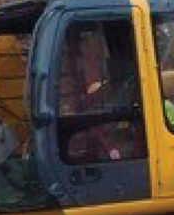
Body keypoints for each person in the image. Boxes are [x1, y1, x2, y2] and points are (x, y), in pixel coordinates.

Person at [62, 24, 144, 164]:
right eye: (88, 58)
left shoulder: (126, 93)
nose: (94, 64)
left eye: (97, 58)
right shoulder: (91, 97)